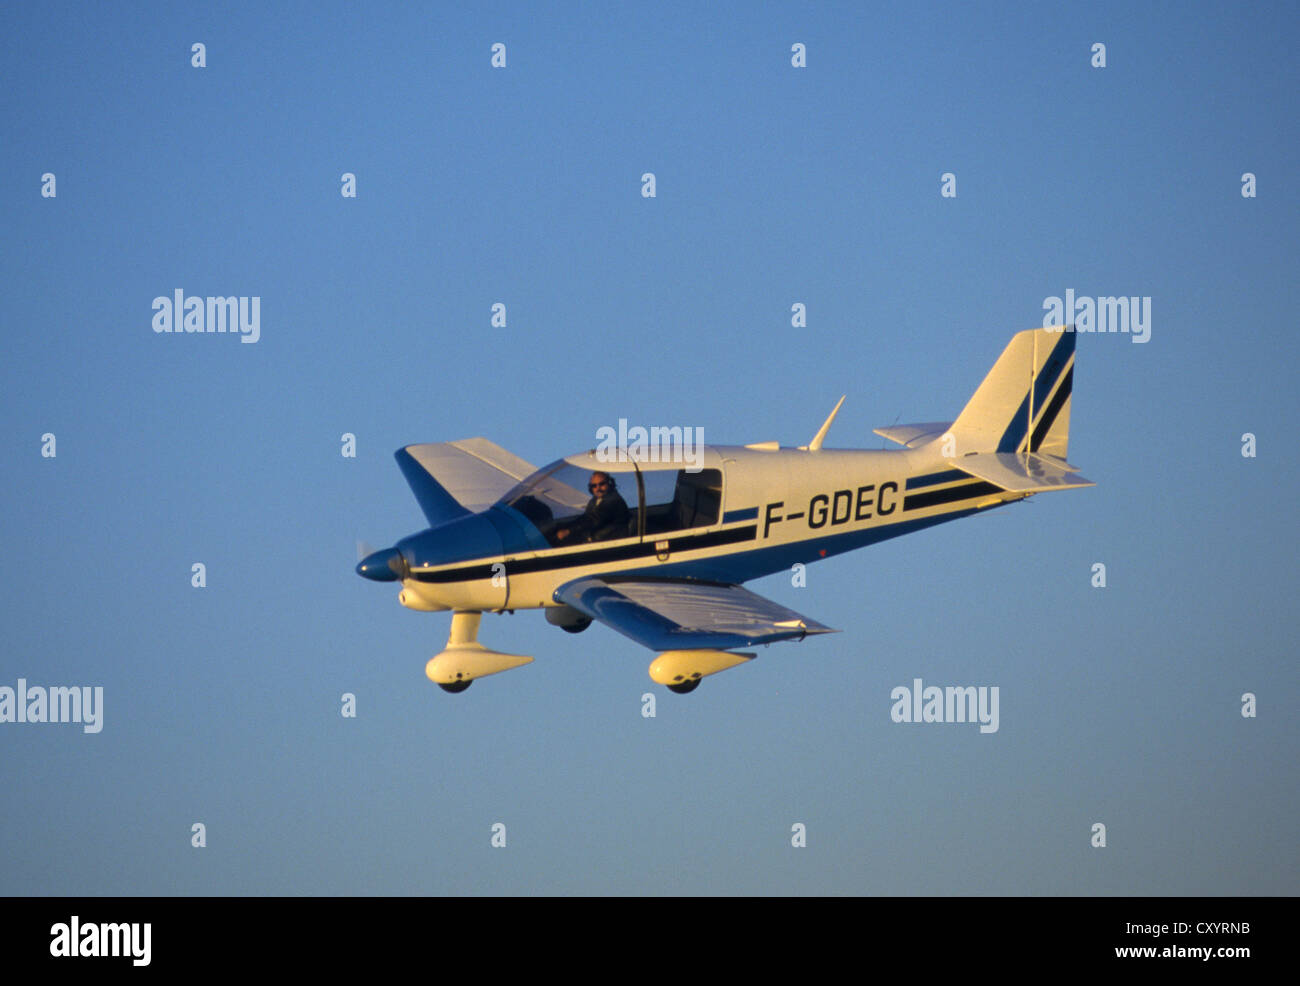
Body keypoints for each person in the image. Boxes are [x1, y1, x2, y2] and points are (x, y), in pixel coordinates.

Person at [555, 471, 630, 543]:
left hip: (610, 541)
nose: (598, 488)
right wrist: (565, 525)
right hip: (599, 538)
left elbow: (594, 520)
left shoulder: (613, 500)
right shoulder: (595, 500)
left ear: (609, 484)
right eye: (594, 486)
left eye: (602, 484)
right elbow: (586, 517)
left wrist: (569, 531)